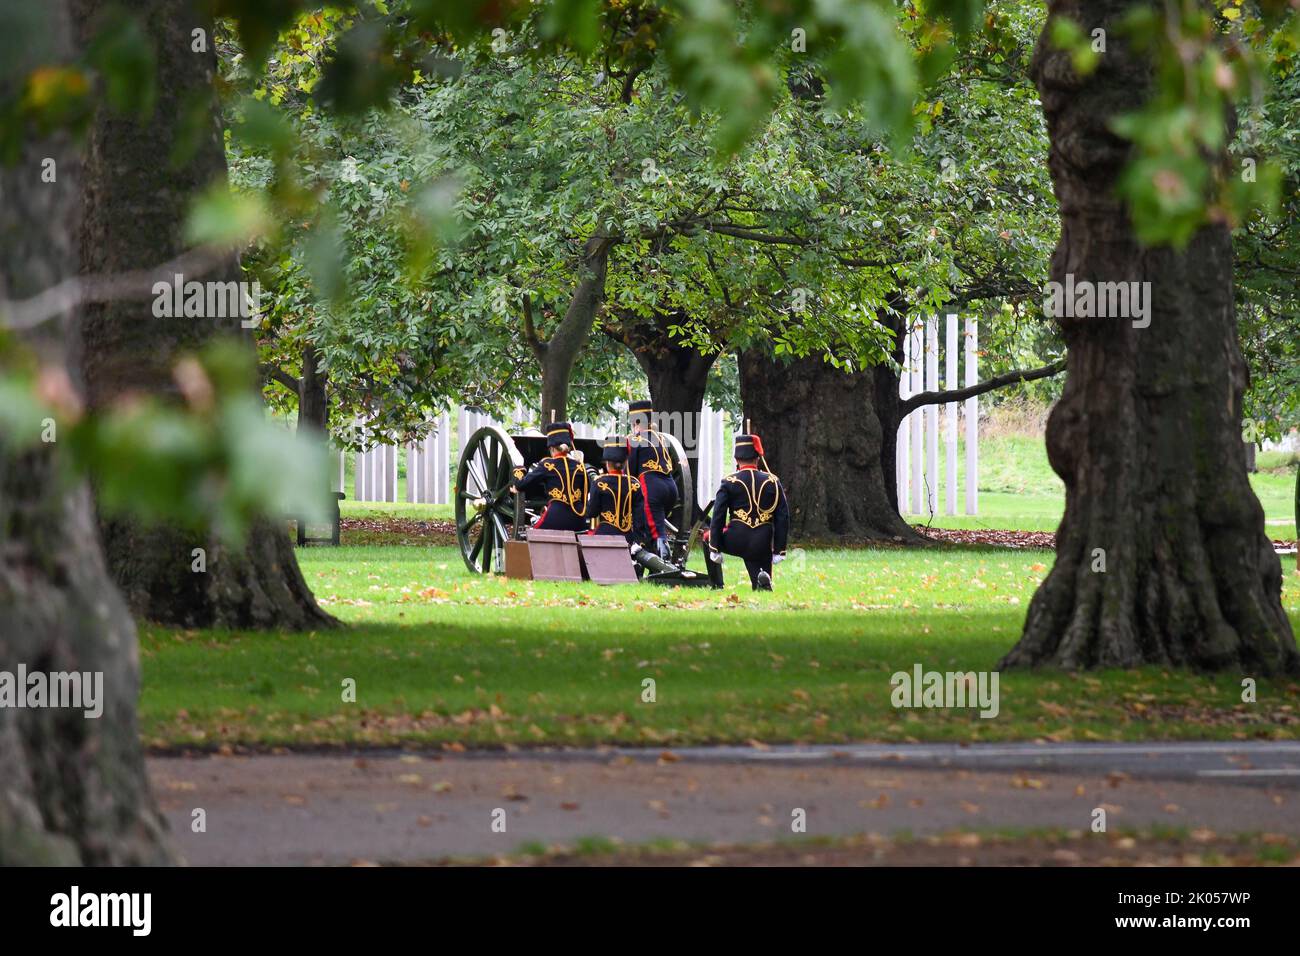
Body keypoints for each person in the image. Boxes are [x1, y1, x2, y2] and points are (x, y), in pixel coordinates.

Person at [706, 432, 789, 591]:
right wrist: (779, 550)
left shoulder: (729, 481)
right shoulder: (773, 481)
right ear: (757, 457)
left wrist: (714, 548)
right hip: (763, 543)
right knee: (759, 576)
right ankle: (761, 579)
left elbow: (718, 517)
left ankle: (717, 584)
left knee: (706, 536)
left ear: (737, 459)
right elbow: (783, 518)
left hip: (735, 540)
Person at [509, 421, 589, 531]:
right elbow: (586, 491)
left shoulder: (547, 465)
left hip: (555, 518)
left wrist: (519, 468)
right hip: (578, 519)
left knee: (532, 533)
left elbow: (521, 484)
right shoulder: (580, 466)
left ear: (551, 448)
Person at [626, 399, 678, 561]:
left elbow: (631, 473)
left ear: (635, 422)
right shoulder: (660, 438)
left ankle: (664, 566)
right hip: (671, 487)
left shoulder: (636, 439)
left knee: (657, 532)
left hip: (652, 488)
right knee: (656, 526)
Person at [586, 434, 643, 542]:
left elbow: (592, 512)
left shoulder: (599, 482)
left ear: (607, 463)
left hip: (603, 536)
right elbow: (639, 518)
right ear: (625, 462)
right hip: (627, 538)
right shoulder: (635, 484)